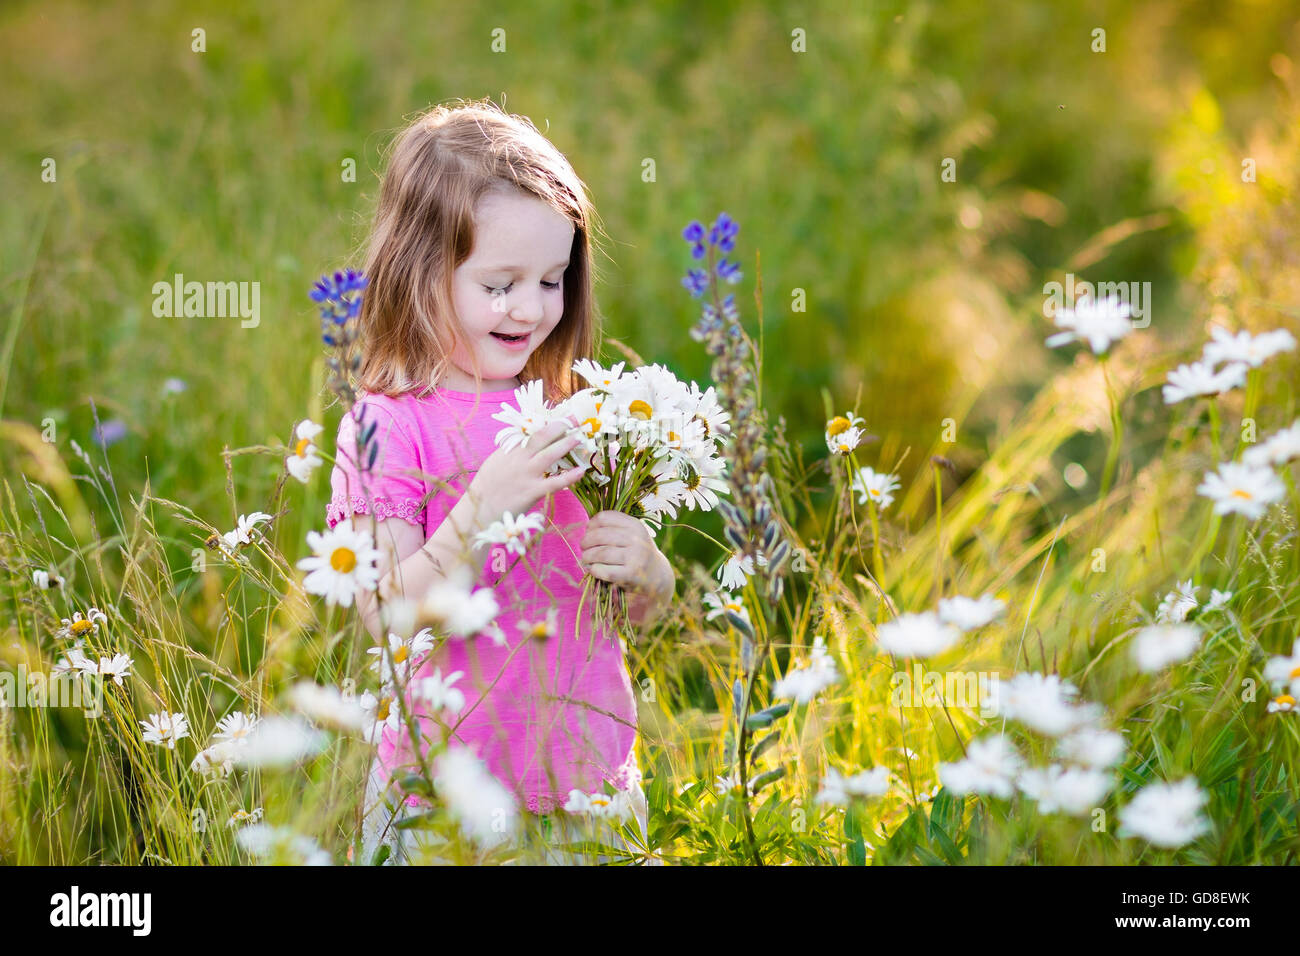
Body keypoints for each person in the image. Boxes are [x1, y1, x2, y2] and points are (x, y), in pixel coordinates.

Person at [325, 98, 674, 865]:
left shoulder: (579, 410)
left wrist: (647, 569)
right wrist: (479, 508)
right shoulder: (389, 426)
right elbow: (385, 613)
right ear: (423, 272)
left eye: (553, 280)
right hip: (440, 797)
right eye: (500, 283)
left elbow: (638, 613)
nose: (532, 308)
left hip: (588, 786)